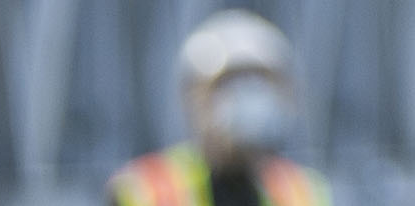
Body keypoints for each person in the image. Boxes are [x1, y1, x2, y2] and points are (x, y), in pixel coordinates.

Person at [108, 13, 327, 206]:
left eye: (261, 81)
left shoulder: (301, 191)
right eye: (228, 82)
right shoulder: (146, 188)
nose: (248, 95)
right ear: (194, 97)